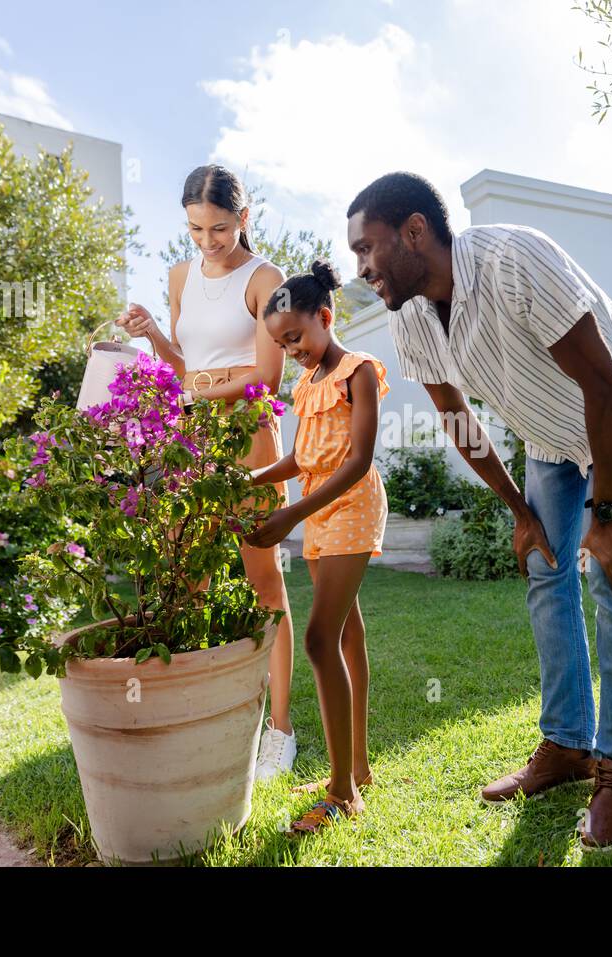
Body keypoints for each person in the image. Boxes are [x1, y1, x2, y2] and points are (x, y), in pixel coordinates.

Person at [347, 171, 612, 852]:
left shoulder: (513, 259)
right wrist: (519, 509)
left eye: (368, 248)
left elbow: (605, 387)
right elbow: (458, 421)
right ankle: (568, 745)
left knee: (607, 576)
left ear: (414, 231)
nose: (363, 267)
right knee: (544, 569)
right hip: (551, 437)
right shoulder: (410, 317)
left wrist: (604, 517)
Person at [114, 164, 298, 780]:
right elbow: (180, 368)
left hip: (248, 438)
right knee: (187, 579)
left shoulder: (266, 279)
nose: (208, 241)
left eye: (219, 228)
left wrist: (198, 383)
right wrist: (151, 339)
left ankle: (280, 731)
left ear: (243, 219)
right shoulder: (178, 276)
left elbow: (266, 378)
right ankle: (199, 713)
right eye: (196, 229)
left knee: (263, 581)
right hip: (191, 442)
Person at [245, 258, 390, 835]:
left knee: (317, 638)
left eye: (297, 337)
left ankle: (341, 794)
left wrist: (289, 515)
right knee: (348, 633)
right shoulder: (305, 387)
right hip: (318, 512)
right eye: (282, 344)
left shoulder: (359, 371)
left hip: (352, 507)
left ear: (325, 317)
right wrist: (250, 483)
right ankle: (357, 770)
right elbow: (301, 459)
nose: (293, 351)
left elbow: (357, 461)